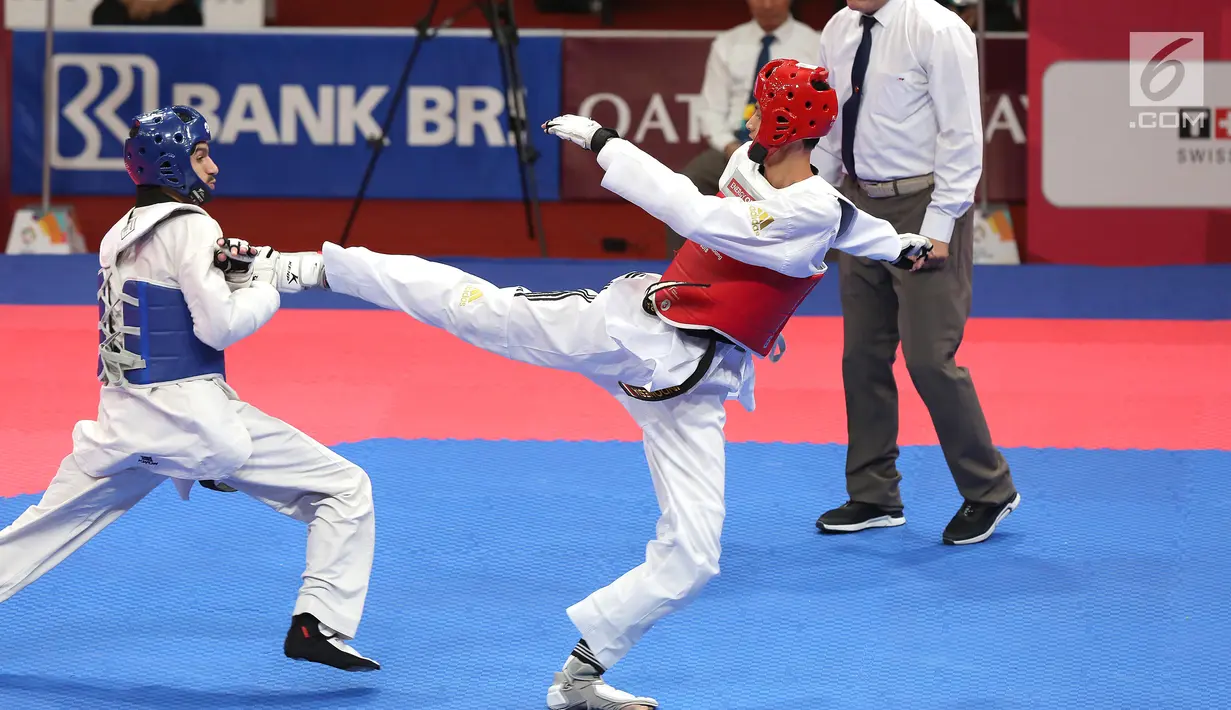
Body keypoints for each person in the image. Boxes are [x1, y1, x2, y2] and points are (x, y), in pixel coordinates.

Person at [216, 60, 933, 709]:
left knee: (693, 558)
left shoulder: (813, 208)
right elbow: (867, 232)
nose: (750, 119)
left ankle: (580, 678)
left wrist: (604, 143)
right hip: (632, 331)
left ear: (780, 121)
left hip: (693, 389)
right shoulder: (751, 161)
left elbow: (711, 215)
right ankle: (313, 267)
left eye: (762, 107)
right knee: (481, 311)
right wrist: (905, 245)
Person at [0, 106, 380, 672]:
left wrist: (233, 274)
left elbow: (159, 310)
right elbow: (219, 327)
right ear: (174, 163)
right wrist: (267, 293)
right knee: (346, 490)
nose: (215, 167)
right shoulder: (195, 225)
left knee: (40, 529)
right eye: (202, 155)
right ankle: (316, 623)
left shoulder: (115, 234)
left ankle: (199, 463)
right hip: (192, 417)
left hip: (121, 421)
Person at [811, 0, 1020, 545]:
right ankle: (873, 494)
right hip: (856, 205)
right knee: (861, 355)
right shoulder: (838, 28)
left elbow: (962, 134)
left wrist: (941, 225)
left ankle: (989, 490)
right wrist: (814, 203)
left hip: (921, 204)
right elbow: (831, 132)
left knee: (929, 358)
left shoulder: (938, 27)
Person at [668, 0, 821, 255]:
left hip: (791, 148)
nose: (767, 4)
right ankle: (684, 266)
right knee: (686, 184)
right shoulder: (727, 43)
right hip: (736, 145)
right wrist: (730, 147)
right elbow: (711, 108)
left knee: (817, 202)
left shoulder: (815, 44)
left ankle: (815, 266)